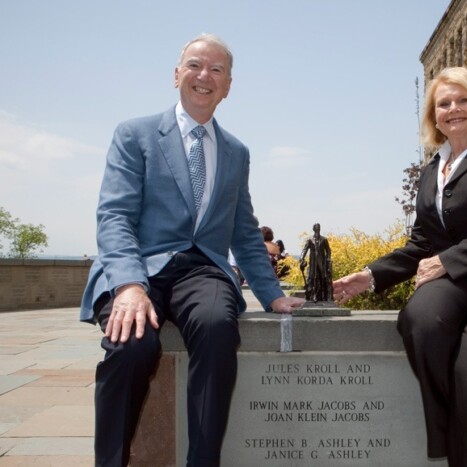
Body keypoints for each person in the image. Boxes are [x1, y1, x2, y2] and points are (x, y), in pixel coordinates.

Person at [79, 33, 304, 467]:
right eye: (196, 66)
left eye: (217, 70)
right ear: (176, 75)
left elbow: (243, 230)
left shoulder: (237, 152)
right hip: (139, 267)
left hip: (202, 271)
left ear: (229, 85)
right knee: (131, 347)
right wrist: (127, 285)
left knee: (219, 327)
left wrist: (272, 293)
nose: (205, 76)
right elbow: (115, 216)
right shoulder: (135, 134)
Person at [333, 67, 467, 467]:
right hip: (461, 280)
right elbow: (423, 242)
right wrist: (370, 275)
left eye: (462, 100)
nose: (454, 109)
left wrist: (449, 261)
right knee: (421, 319)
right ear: (434, 117)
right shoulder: (433, 169)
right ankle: (456, 438)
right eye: (444, 103)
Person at [299, 223, 333, 302]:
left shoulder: (324, 240)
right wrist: (301, 259)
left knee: (323, 278)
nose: (318, 229)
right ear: (314, 229)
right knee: (313, 278)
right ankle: (313, 295)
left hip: (322, 262)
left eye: (319, 228)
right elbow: (304, 250)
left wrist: (328, 259)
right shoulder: (310, 240)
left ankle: (324, 296)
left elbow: (328, 251)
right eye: (316, 228)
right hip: (313, 262)